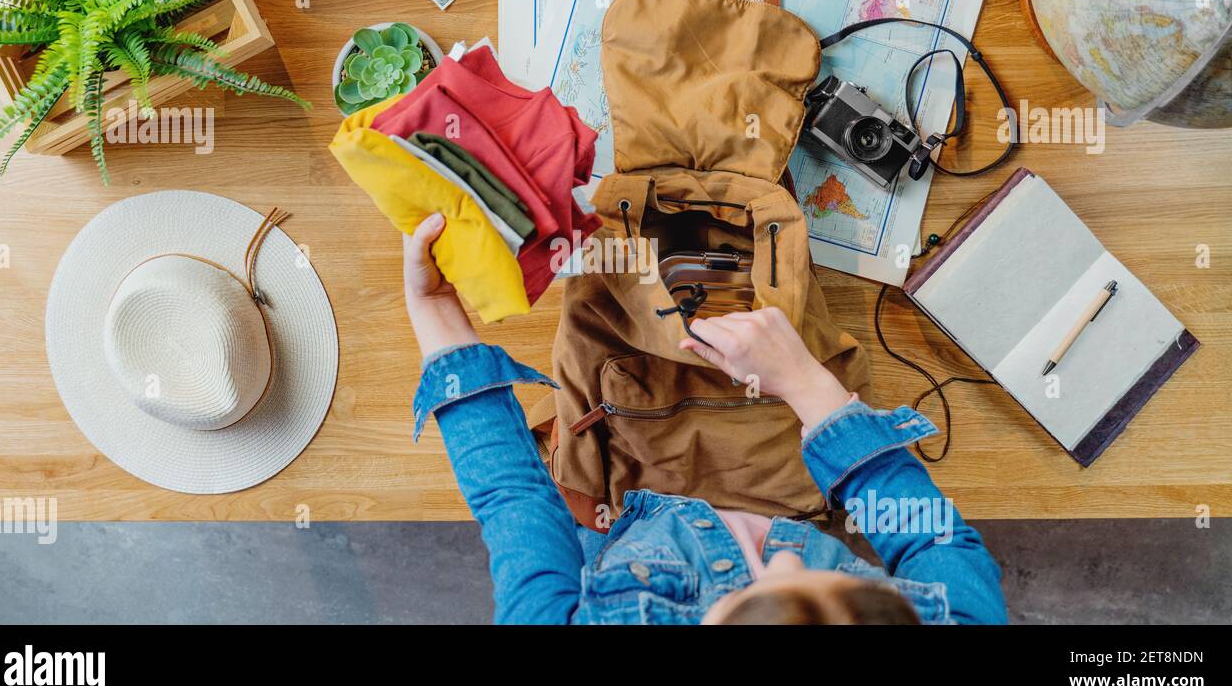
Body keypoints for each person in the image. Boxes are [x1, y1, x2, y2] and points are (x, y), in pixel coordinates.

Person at [406, 213, 1007, 624]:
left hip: (627, 509)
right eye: (855, 587)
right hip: (790, 479)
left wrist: (433, 310)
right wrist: (803, 380)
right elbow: (931, 538)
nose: (788, 558)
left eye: (760, 598)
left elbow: (514, 501)